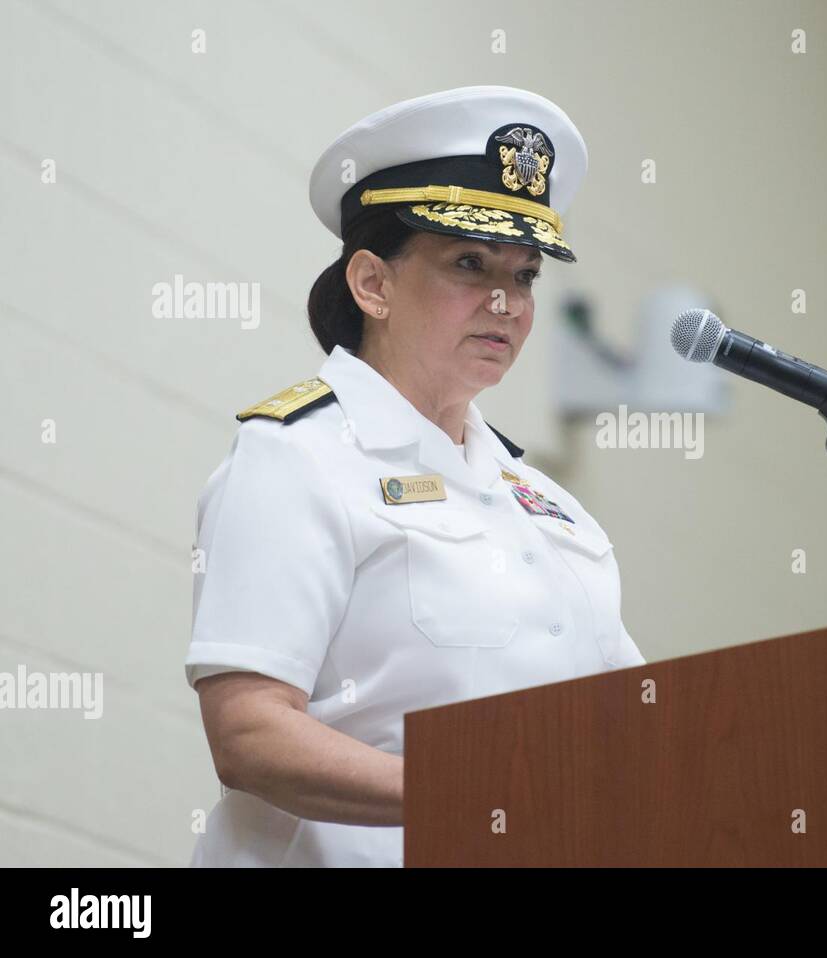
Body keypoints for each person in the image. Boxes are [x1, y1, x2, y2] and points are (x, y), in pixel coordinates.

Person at [184, 86, 646, 867]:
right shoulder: (298, 457)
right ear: (373, 284)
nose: (506, 301)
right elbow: (250, 733)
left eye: (526, 274)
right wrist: (474, 792)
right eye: (470, 263)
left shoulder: (551, 511)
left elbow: (636, 728)